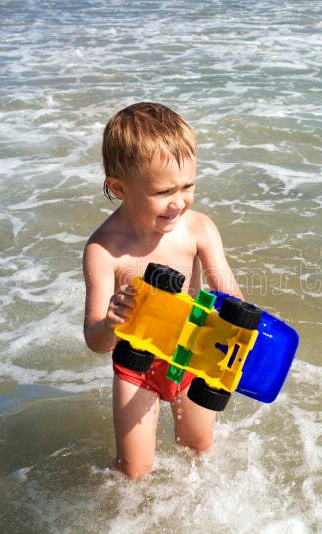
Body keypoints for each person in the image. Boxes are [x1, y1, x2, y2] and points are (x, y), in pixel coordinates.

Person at [83, 102, 244, 479]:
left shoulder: (199, 228)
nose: (179, 201)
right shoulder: (104, 250)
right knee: (133, 471)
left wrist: (244, 326)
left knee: (198, 447)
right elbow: (95, 339)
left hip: (192, 352)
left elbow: (229, 293)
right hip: (137, 364)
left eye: (188, 186)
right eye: (163, 191)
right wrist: (111, 322)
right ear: (119, 188)